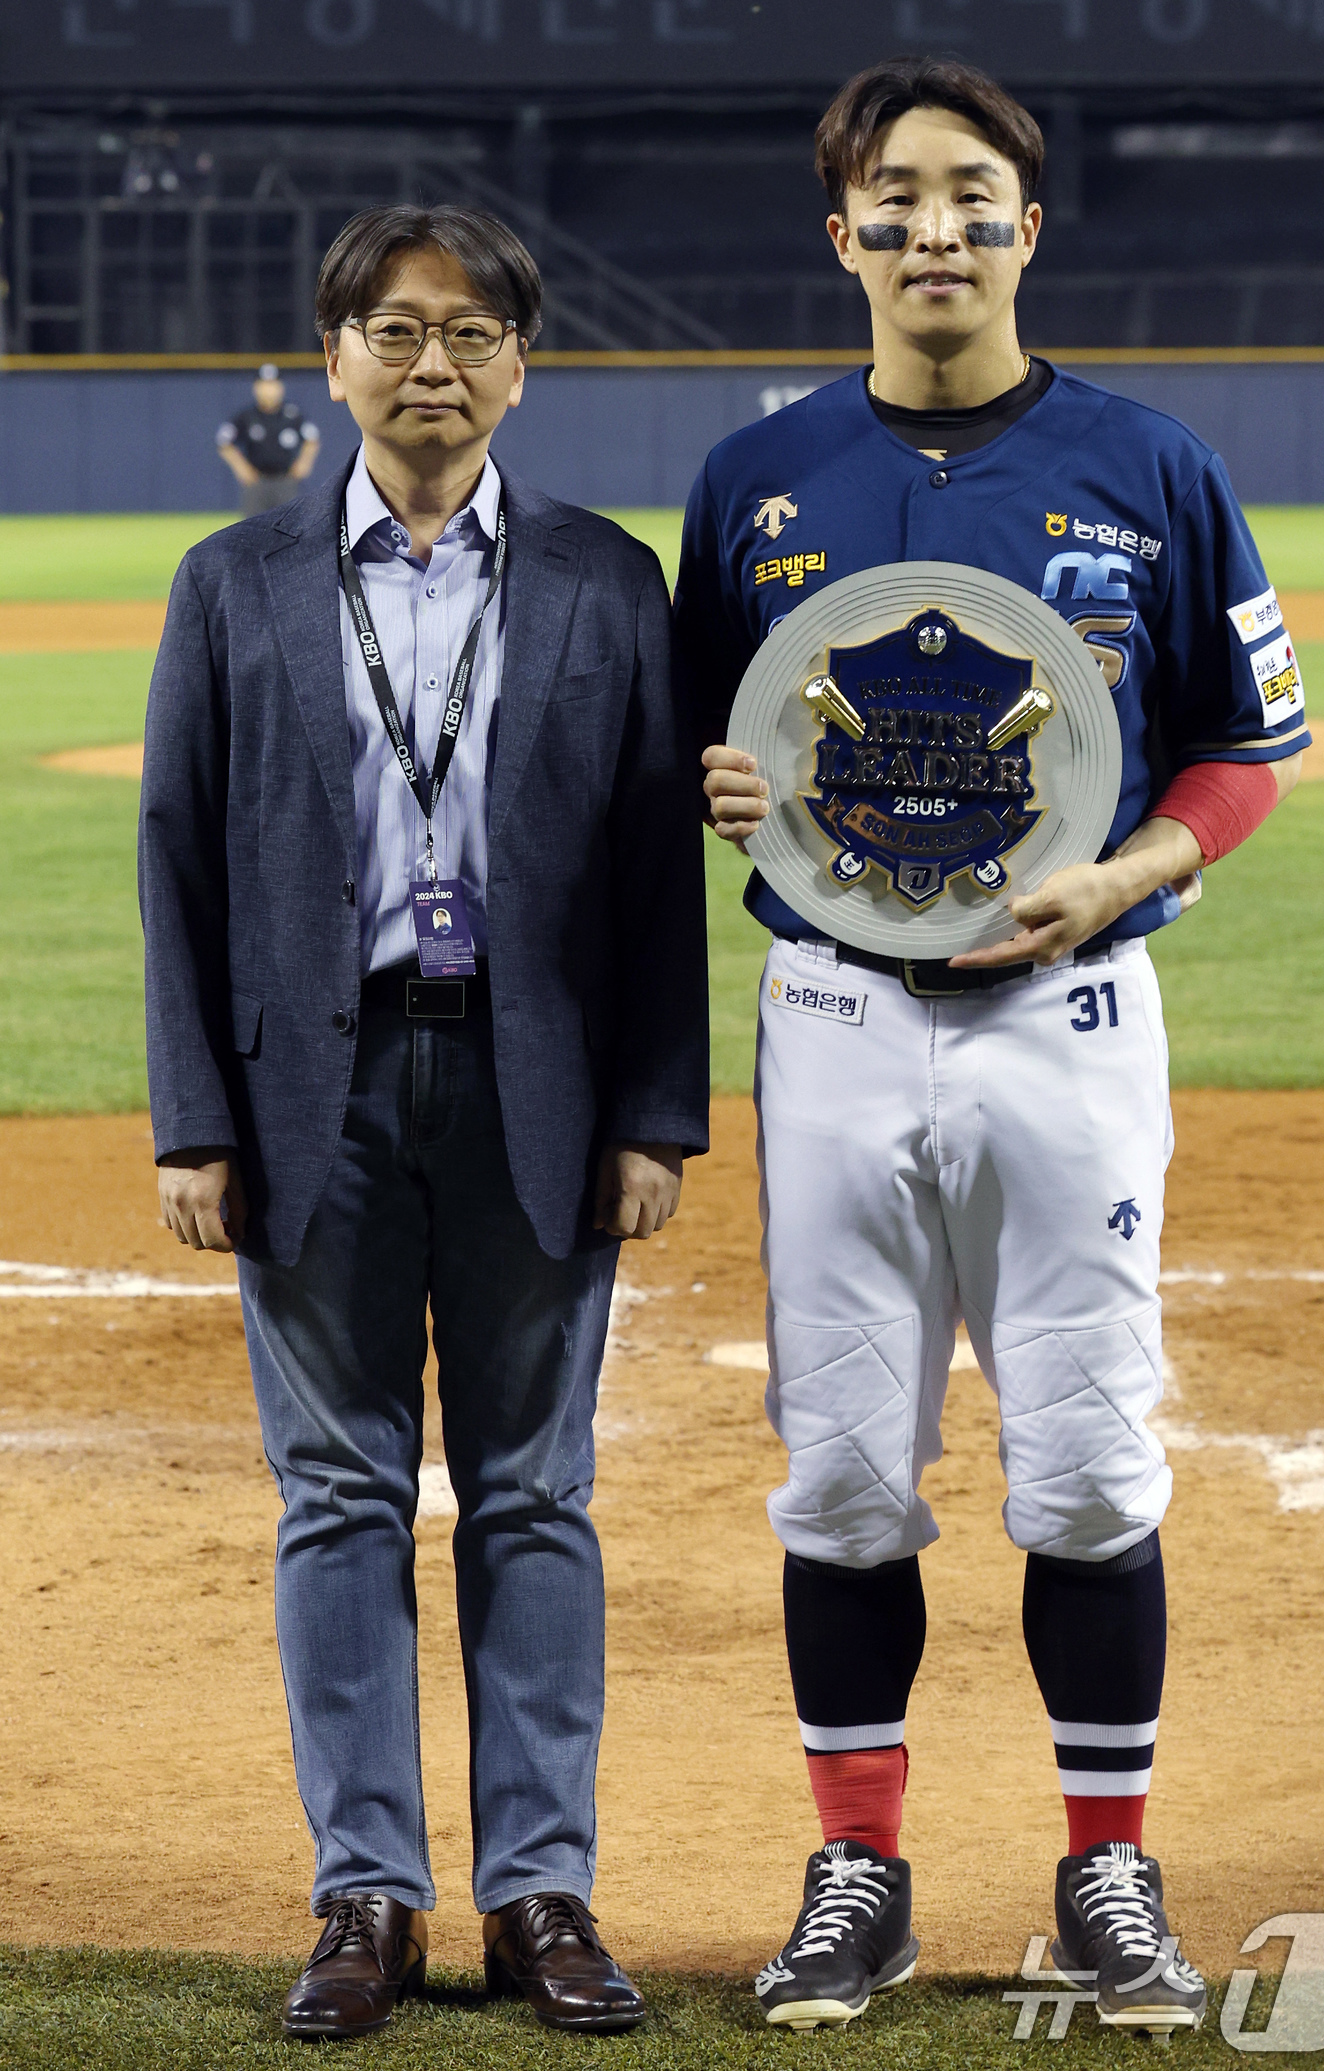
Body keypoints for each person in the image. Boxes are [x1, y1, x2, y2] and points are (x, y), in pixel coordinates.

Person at [676, 57, 1307, 2036]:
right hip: (838, 1020)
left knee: (1094, 1477)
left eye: (968, 195)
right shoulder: (756, 477)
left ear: (1027, 229)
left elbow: (1247, 748)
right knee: (845, 1482)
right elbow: (711, 738)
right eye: (894, 195)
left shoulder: (1150, 463)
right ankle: (854, 1872)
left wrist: (1126, 874)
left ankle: (1101, 1874)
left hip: (1072, 1015)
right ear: (842, 232)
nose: (929, 226)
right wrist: (708, 784)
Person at [141, 203, 708, 2041]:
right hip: (317, 1089)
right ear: (336, 359)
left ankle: (541, 1891)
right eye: (395, 329)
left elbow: (651, 878)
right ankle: (363, 1897)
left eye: (470, 333)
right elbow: (176, 865)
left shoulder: (612, 582)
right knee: (338, 1498)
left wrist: (656, 1113)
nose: (433, 362)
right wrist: (191, 1121)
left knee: (536, 1493)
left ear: (521, 363)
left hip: (539, 1083)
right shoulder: (229, 584)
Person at [216, 361, 321, 516]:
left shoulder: (292, 414)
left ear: (281, 387)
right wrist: (241, 469)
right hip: (257, 482)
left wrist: (303, 464)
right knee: (252, 530)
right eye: (264, 385)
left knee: (289, 528)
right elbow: (223, 441)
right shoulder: (247, 416)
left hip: (285, 481)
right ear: (256, 388)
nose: (269, 390)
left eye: (273, 385)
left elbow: (312, 439)